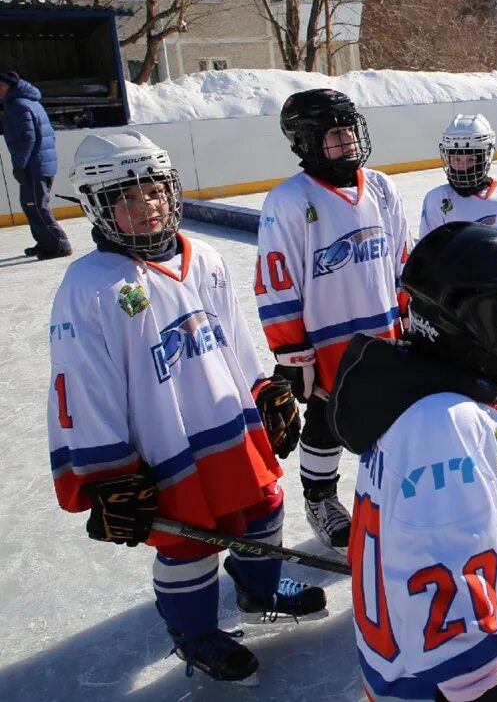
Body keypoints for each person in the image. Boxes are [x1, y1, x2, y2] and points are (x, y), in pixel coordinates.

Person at [47, 130, 323, 685]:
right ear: (98, 207)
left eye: (154, 191)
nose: (146, 206)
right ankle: (194, 635)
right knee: (190, 538)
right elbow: (84, 385)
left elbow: (232, 336)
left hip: (227, 421)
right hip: (163, 438)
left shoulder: (205, 257)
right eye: (125, 197)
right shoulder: (92, 284)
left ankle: (259, 590)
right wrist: (107, 472)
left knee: (264, 507)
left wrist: (260, 391)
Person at [328, 222, 497, 702]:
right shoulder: (444, 428)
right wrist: (490, 692)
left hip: (495, 652)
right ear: (477, 327)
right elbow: (450, 620)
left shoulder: (429, 402)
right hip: (451, 686)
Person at [255, 88, 413, 552]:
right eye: (334, 134)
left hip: (384, 332)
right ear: (305, 141)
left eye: (350, 130)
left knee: (390, 417)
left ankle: (385, 494)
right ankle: (321, 499)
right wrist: (291, 352)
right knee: (324, 423)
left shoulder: (382, 186)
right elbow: (276, 283)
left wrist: (412, 318)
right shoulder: (288, 200)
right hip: (325, 343)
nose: (348, 141)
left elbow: (402, 259)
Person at [1, 70, 71, 259]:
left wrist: (20, 165)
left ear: (8, 86)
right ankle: (45, 242)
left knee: (36, 205)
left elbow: (26, 139)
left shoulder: (18, 105)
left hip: (34, 165)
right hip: (40, 163)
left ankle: (58, 244)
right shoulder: (30, 102)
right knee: (31, 204)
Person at [420, 113, 497, 235]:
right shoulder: (437, 199)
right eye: (456, 160)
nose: (463, 167)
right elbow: (428, 249)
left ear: (486, 158)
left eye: (471, 160)